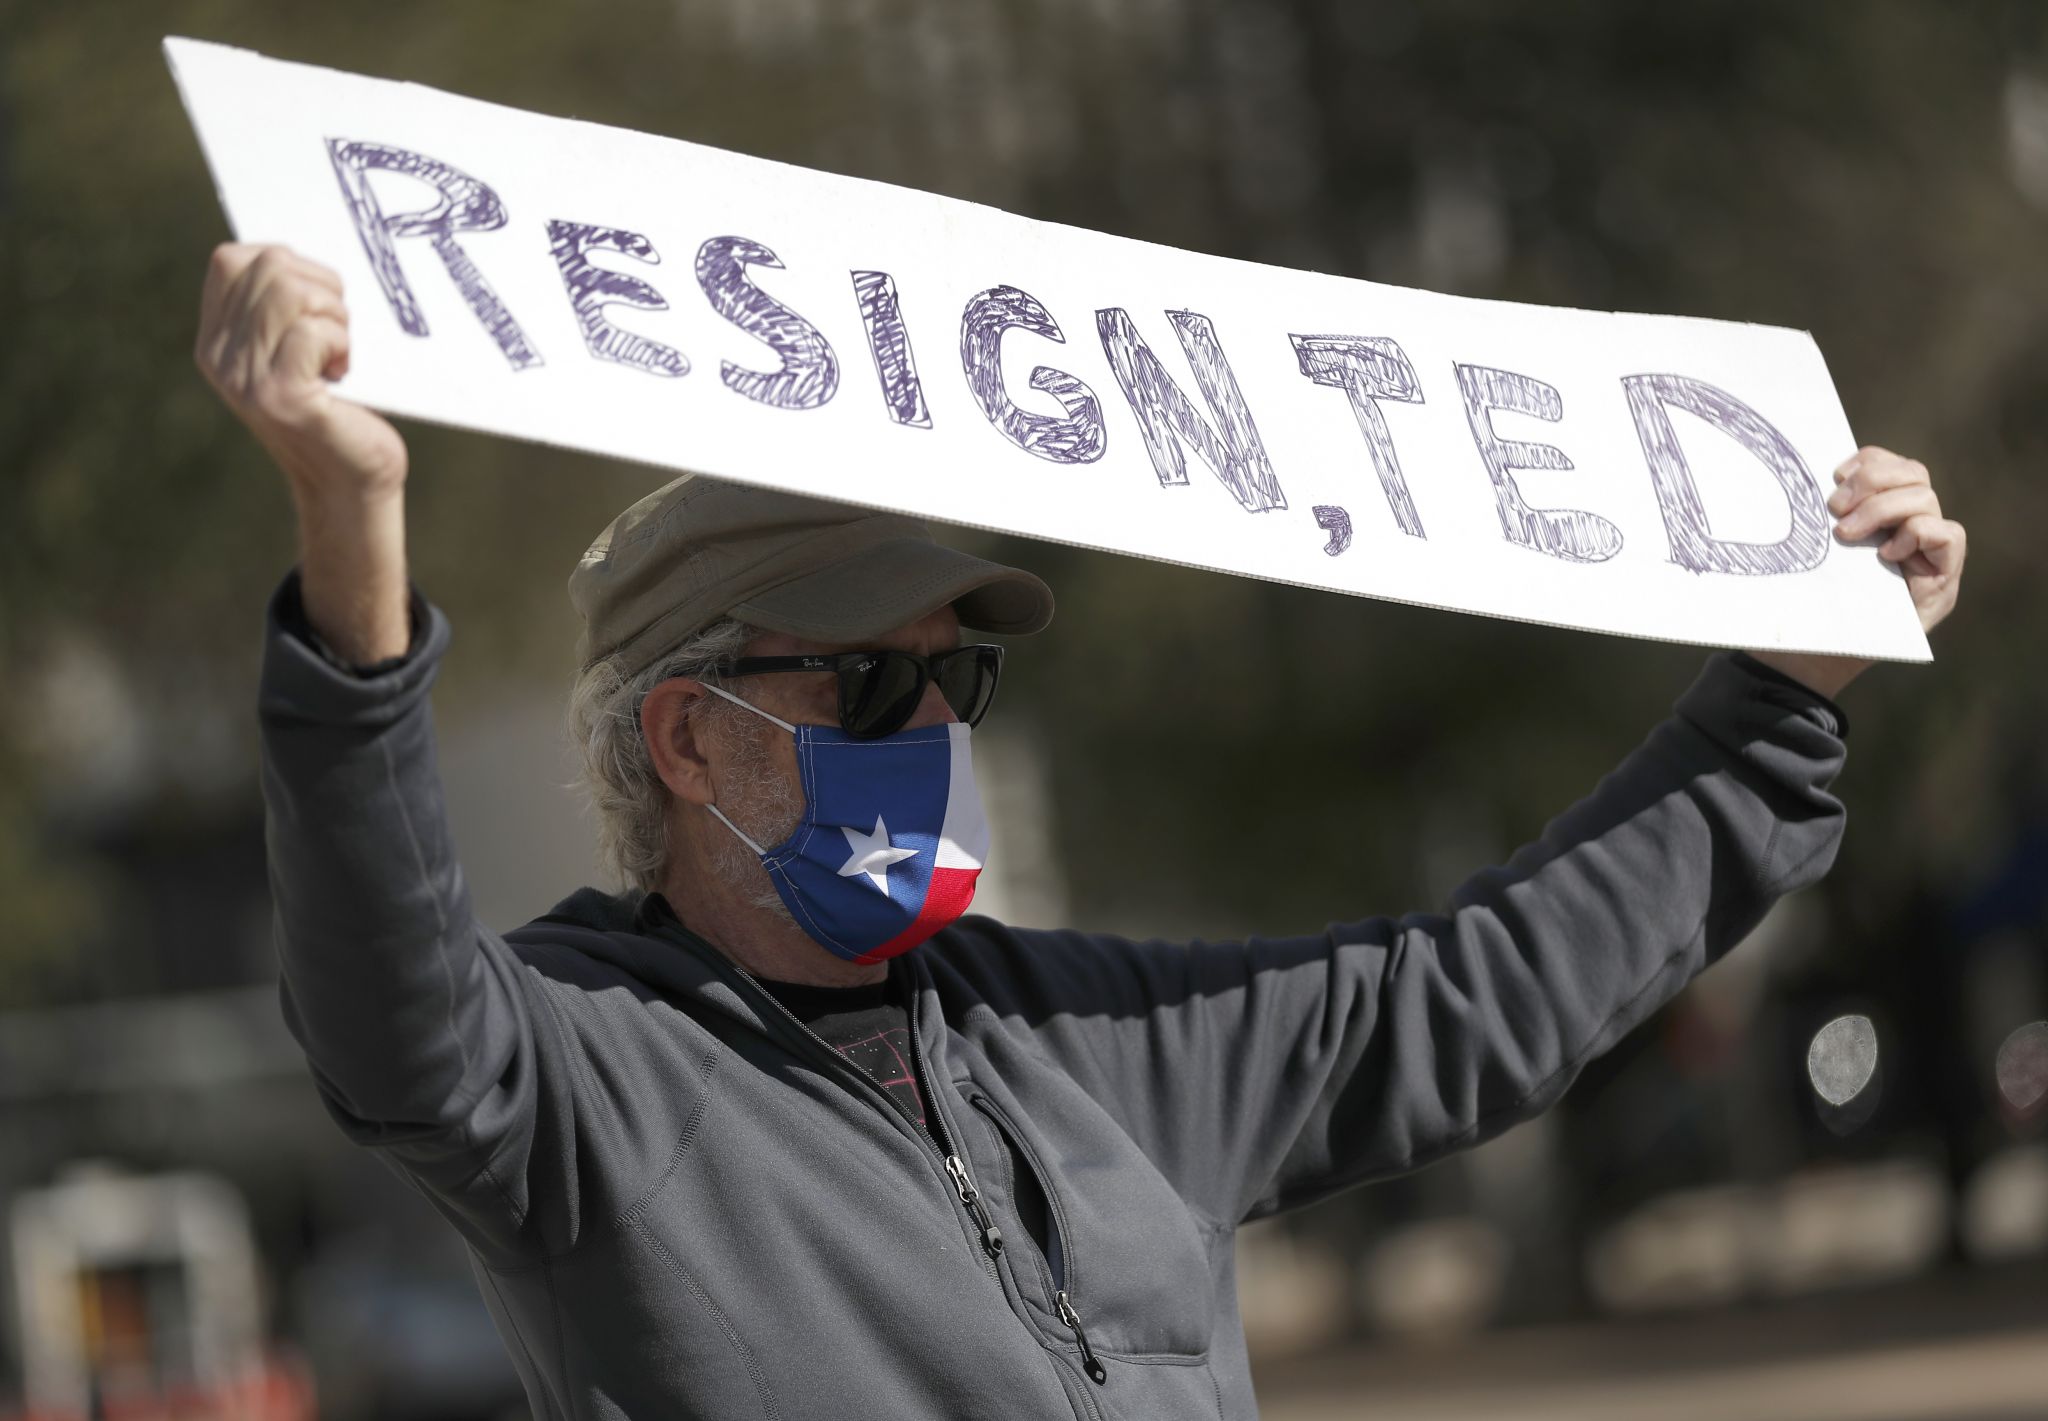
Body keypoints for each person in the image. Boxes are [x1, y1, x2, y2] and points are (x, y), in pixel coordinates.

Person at [196, 241, 1967, 1421]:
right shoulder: (586, 1081)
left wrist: (1783, 694)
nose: (932, 731)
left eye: (953, 682)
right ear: (690, 740)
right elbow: (390, 1003)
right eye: (872, 693)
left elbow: (1481, 993)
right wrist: (352, 536)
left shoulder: (1087, 1034)